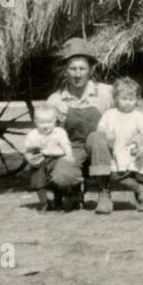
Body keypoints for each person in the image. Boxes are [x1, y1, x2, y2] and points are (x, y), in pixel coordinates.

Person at [46, 38, 116, 212]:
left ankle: (104, 193)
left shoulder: (106, 93)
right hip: (74, 148)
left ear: (90, 70)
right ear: (65, 70)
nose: (77, 74)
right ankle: (75, 190)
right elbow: (44, 134)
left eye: (82, 69)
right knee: (61, 177)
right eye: (73, 69)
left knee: (96, 138)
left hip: (103, 146)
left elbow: (141, 110)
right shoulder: (55, 100)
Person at [94, 77, 143, 212]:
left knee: (123, 175)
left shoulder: (138, 116)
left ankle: (140, 191)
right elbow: (100, 129)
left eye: (131, 100)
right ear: (116, 99)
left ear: (136, 100)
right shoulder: (110, 114)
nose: (127, 103)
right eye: (124, 99)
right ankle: (139, 189)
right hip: (115, 150)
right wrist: (106, 133)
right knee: (114, 175)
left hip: (130, 151)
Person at [23, 104, 82, 211]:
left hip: (56, 159)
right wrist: (30, 159)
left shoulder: (59, 132)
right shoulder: (33, 134)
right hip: (40, 160)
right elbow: (27, 150)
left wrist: (69, 155)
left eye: (49, 122)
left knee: (56, 178)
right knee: (38, 180)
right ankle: (44, 202)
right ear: (35, 122)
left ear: (55, 121)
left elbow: (66, 145)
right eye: (42, 123)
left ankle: (58, 200)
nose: (46, 126)